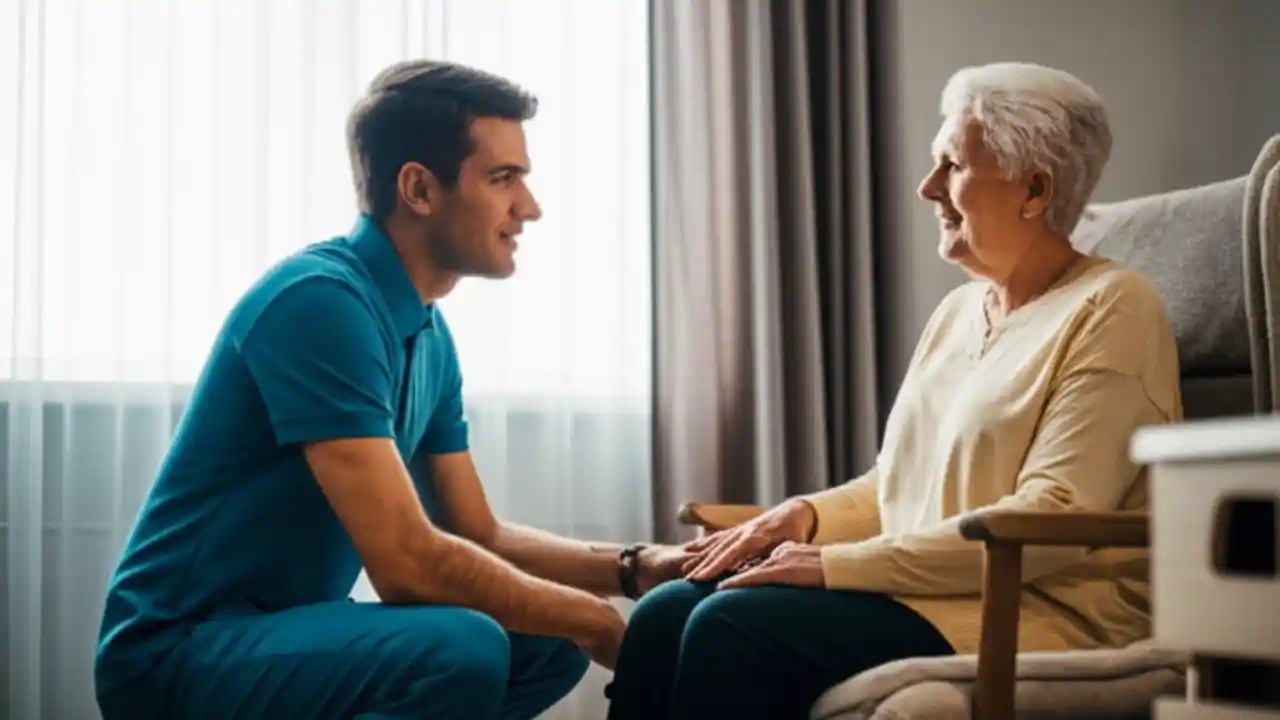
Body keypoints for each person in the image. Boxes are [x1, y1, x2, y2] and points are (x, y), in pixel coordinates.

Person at [94, 59, 689, 720]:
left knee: (547, 646)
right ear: (419, 189)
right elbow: (405, 564)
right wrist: (600, 622)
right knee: (464, 647)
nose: (530, 207)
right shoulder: (319, 303)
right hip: (176, 655)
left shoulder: (429, 336)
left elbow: (476, 533)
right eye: (503, 178)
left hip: (277, 634)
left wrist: (640, 569)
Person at [606, 62, 1182, 719]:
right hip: (930, 596)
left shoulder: (1113, 306)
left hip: (1035, 613)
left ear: (1034, 189)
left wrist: (835, 564)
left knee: (731, 625)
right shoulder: (959, 313)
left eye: (952, 167)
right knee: (665, 609)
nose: (926, 186)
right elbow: (900, 484)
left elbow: (1051, 521)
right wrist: (804, 516)